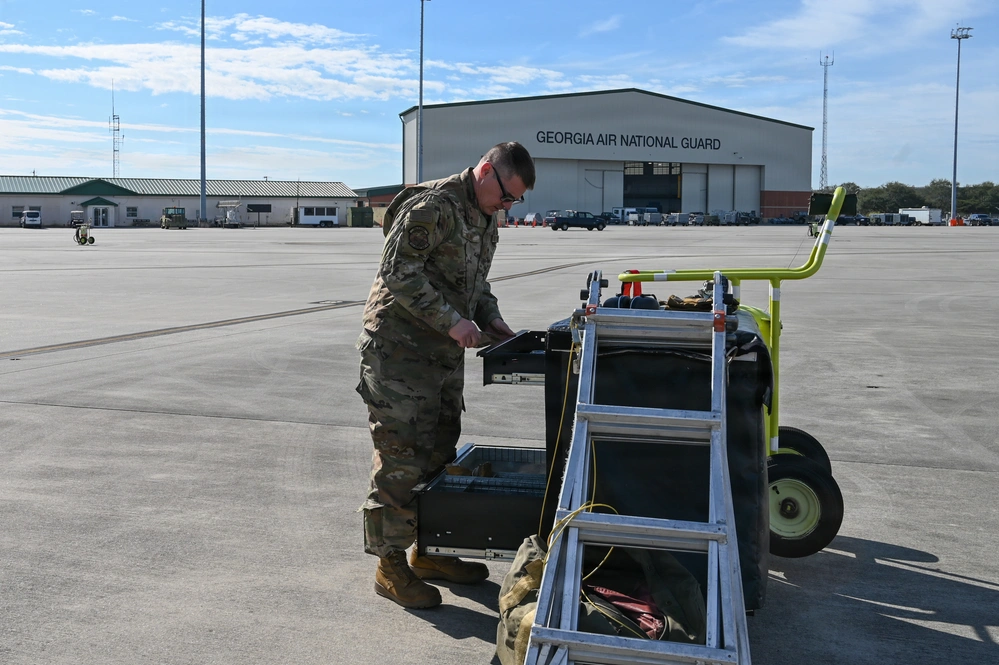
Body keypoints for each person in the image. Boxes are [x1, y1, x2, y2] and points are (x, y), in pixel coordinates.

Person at [356, 142, 536, 608]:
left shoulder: (483, 216)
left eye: (515, 201)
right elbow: (398, 272)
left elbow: (475, 283)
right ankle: (389, 566)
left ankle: (429, 552)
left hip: (441, 356)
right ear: (485, 171)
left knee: (439, 452)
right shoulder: (433, 206)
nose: (508, 206)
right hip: (398, 354)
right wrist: (451, 321)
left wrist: (490, 318)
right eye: (506, 196)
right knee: (401, 459)